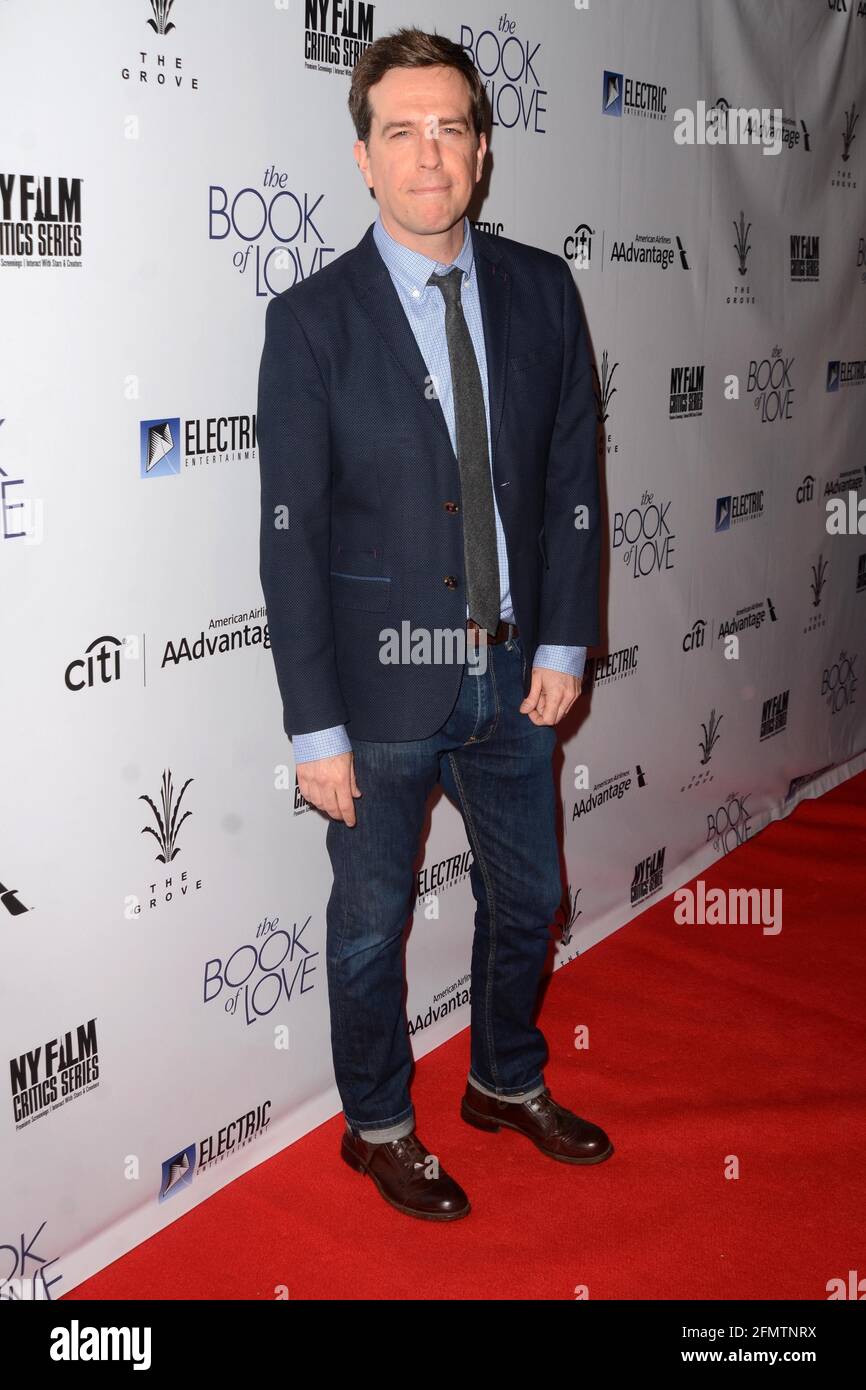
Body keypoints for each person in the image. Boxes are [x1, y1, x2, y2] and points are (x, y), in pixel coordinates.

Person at [257, 26, 612, 1222]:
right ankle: (377, 1125)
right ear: (362, 156)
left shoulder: (539, 289)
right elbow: (291, 536)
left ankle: (504, 1078)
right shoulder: (309, 322)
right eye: (400, 131)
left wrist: (563, 641)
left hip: (512, 672)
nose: (427, 154)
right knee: (369, 927)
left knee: (532, 899)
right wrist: (314, 731)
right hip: (377, 693)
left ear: (481, 147)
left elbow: (571, 473)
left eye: (449, 127)